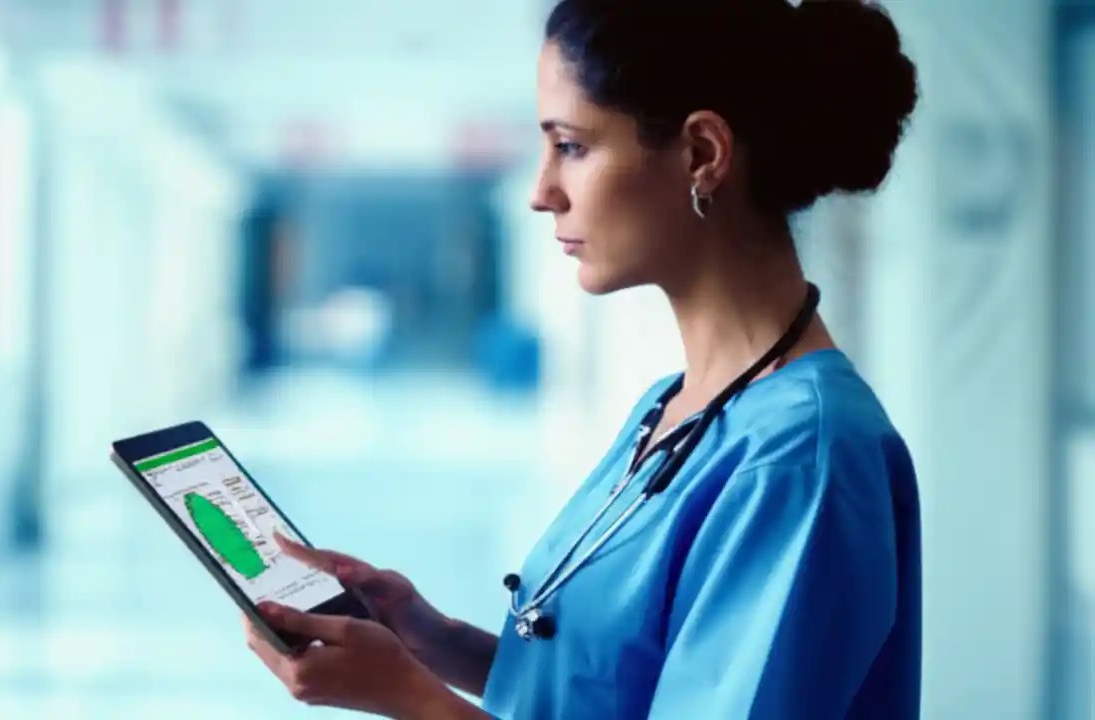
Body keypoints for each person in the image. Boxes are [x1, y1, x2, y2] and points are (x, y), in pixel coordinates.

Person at [241, 0, 922, 717]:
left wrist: (409, 698)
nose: (541, 194)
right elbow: (614, 681)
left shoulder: (802, 458)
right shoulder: (675, 406)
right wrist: (430, 638)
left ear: (702, 155)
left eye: (570, 146)